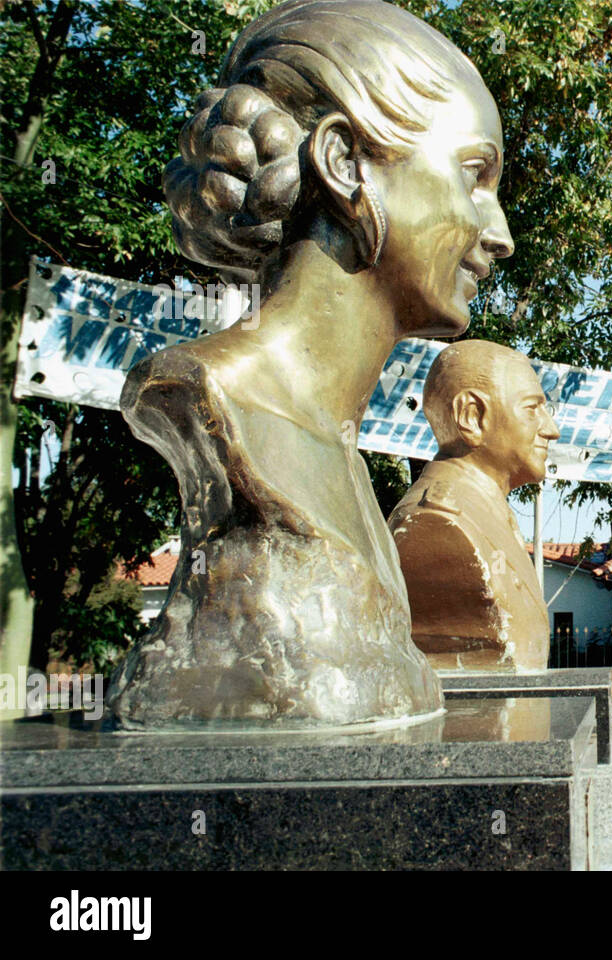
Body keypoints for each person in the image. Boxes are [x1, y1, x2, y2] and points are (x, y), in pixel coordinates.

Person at [109, 0, 511, 727]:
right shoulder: (215, 401)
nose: (501, 233)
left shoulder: (340, 454)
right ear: (343, 165)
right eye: (473, 175)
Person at [389, 340, 560, 672]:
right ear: (471, 416)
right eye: (531, 408)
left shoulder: (486, 513)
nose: (551, 430)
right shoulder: (435, 522)